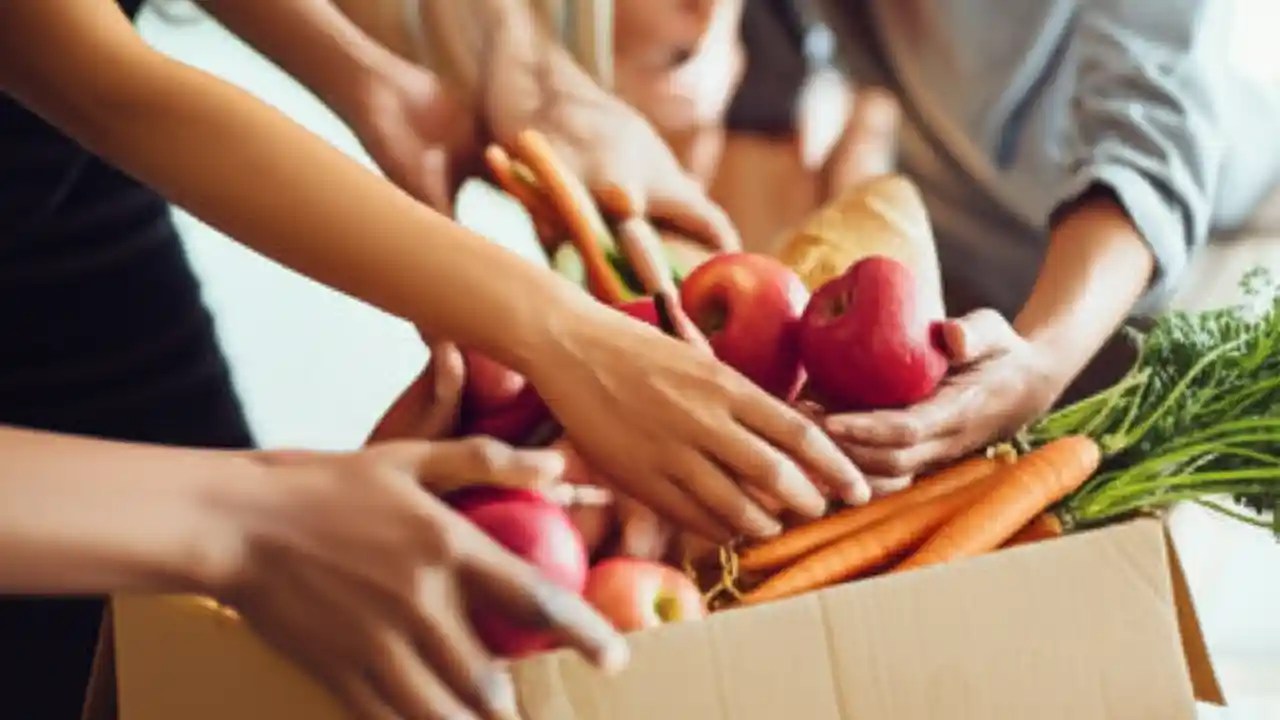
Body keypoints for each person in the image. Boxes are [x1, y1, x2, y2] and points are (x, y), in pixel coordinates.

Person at [0, 1, 867, 717]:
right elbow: (108, 88)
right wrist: (247, 520)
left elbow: (90, 71)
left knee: (170, 657)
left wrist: (408, 81)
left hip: (39, 166)